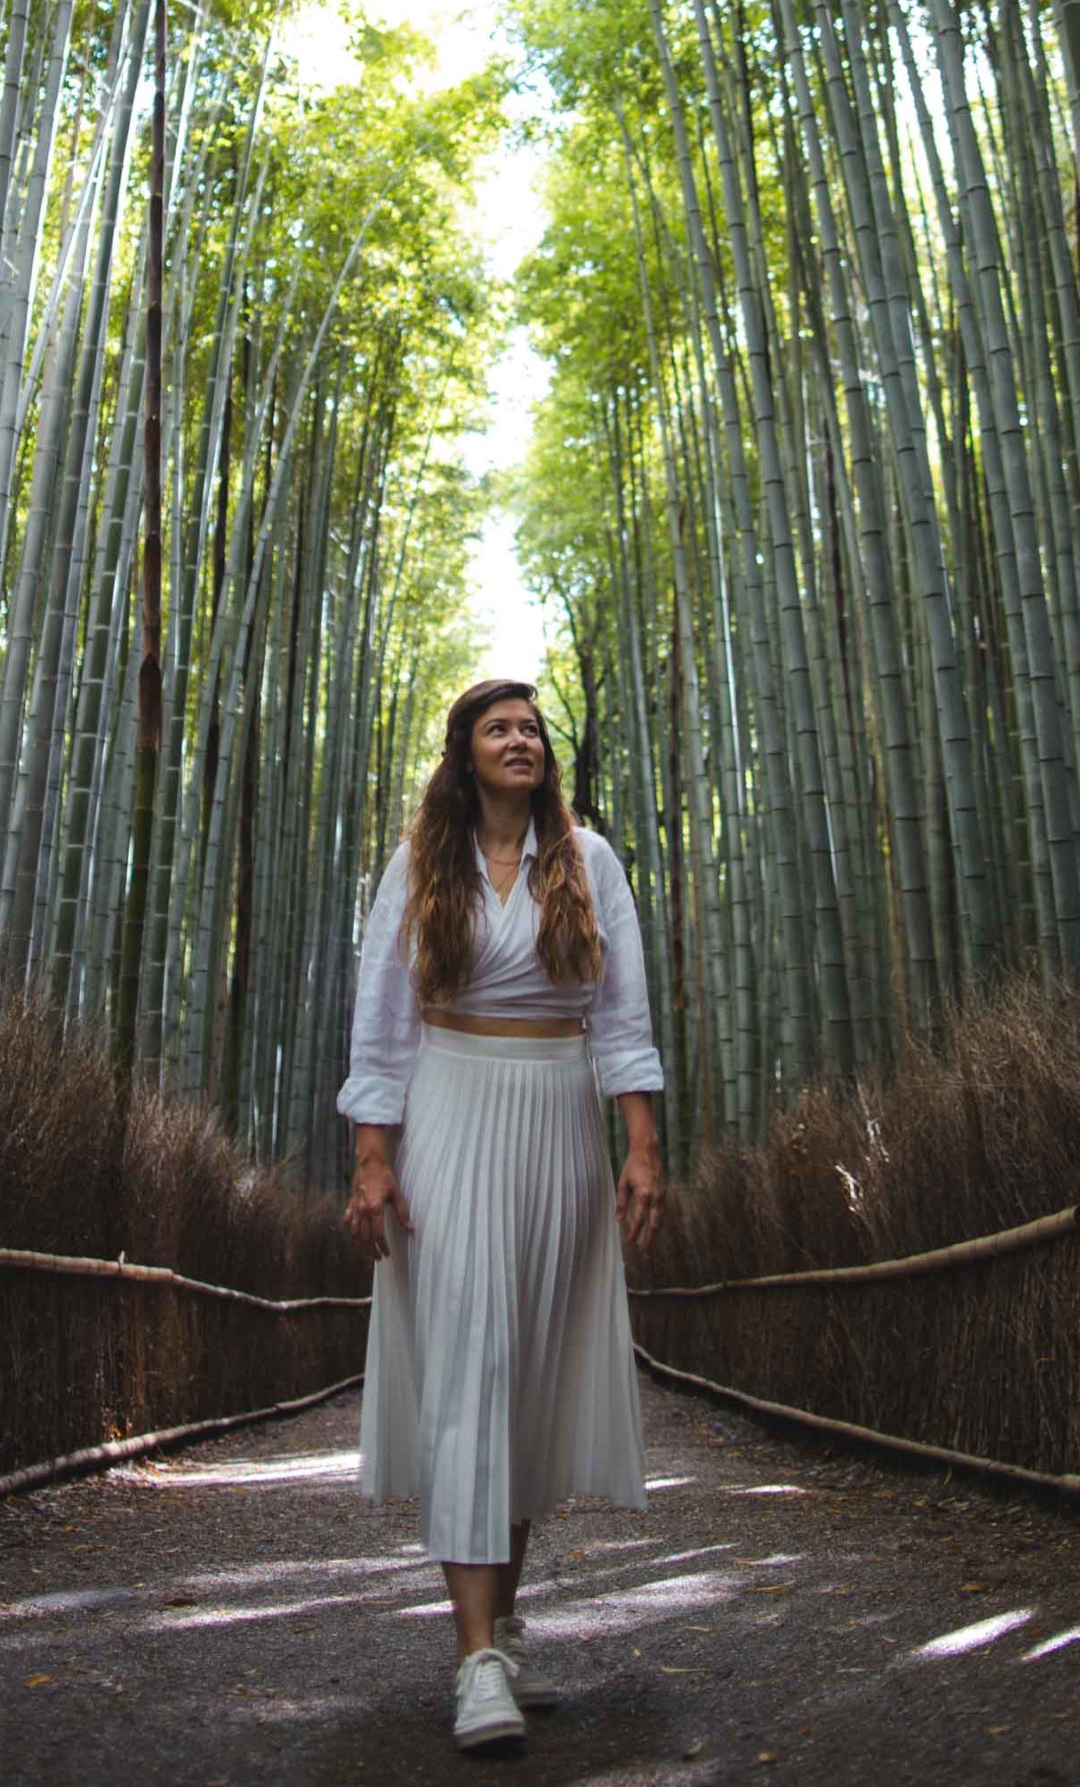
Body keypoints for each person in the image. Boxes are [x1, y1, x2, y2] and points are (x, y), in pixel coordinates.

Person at [339, 676, 665, 1754]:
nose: (520, 739)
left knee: (523, 1376)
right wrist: (372, 1158)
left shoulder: (590, 860)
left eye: (531, 728)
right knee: (472, 1363)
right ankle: (474, 1657)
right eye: (499, 727)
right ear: (464, 750)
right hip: (452, 1108)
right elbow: (382, 1021)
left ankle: (506, 1625)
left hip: (559, 1124)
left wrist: (642, 1146)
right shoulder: (420, 865)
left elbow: (621, 1015)